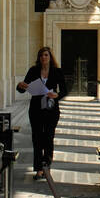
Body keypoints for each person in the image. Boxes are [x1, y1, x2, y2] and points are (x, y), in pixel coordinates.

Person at [17, 47, 67, 179]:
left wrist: (56, 95)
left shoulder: (57, 71)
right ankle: (39, 169)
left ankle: (47, 166)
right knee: (37, 139)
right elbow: (24, 87)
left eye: (46, 55)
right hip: (36, 109)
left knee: (49, 138)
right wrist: (20, 86)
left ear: (50, 57)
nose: (43, 58)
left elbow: (64, 91)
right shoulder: (33, 71)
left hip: (51, 109)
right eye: (41, 56)